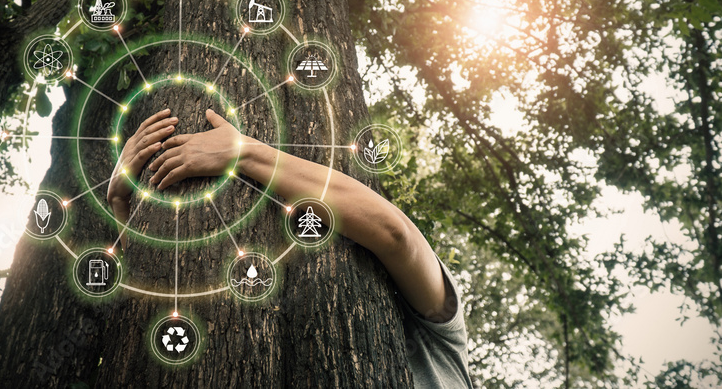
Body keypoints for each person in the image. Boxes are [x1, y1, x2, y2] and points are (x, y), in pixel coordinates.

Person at [107, 108, 473, 388]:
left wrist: (246, 154)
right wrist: (121, 204)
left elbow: (394, 233)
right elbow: (158, 288)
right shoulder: (441, 347)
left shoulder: (443, 345)